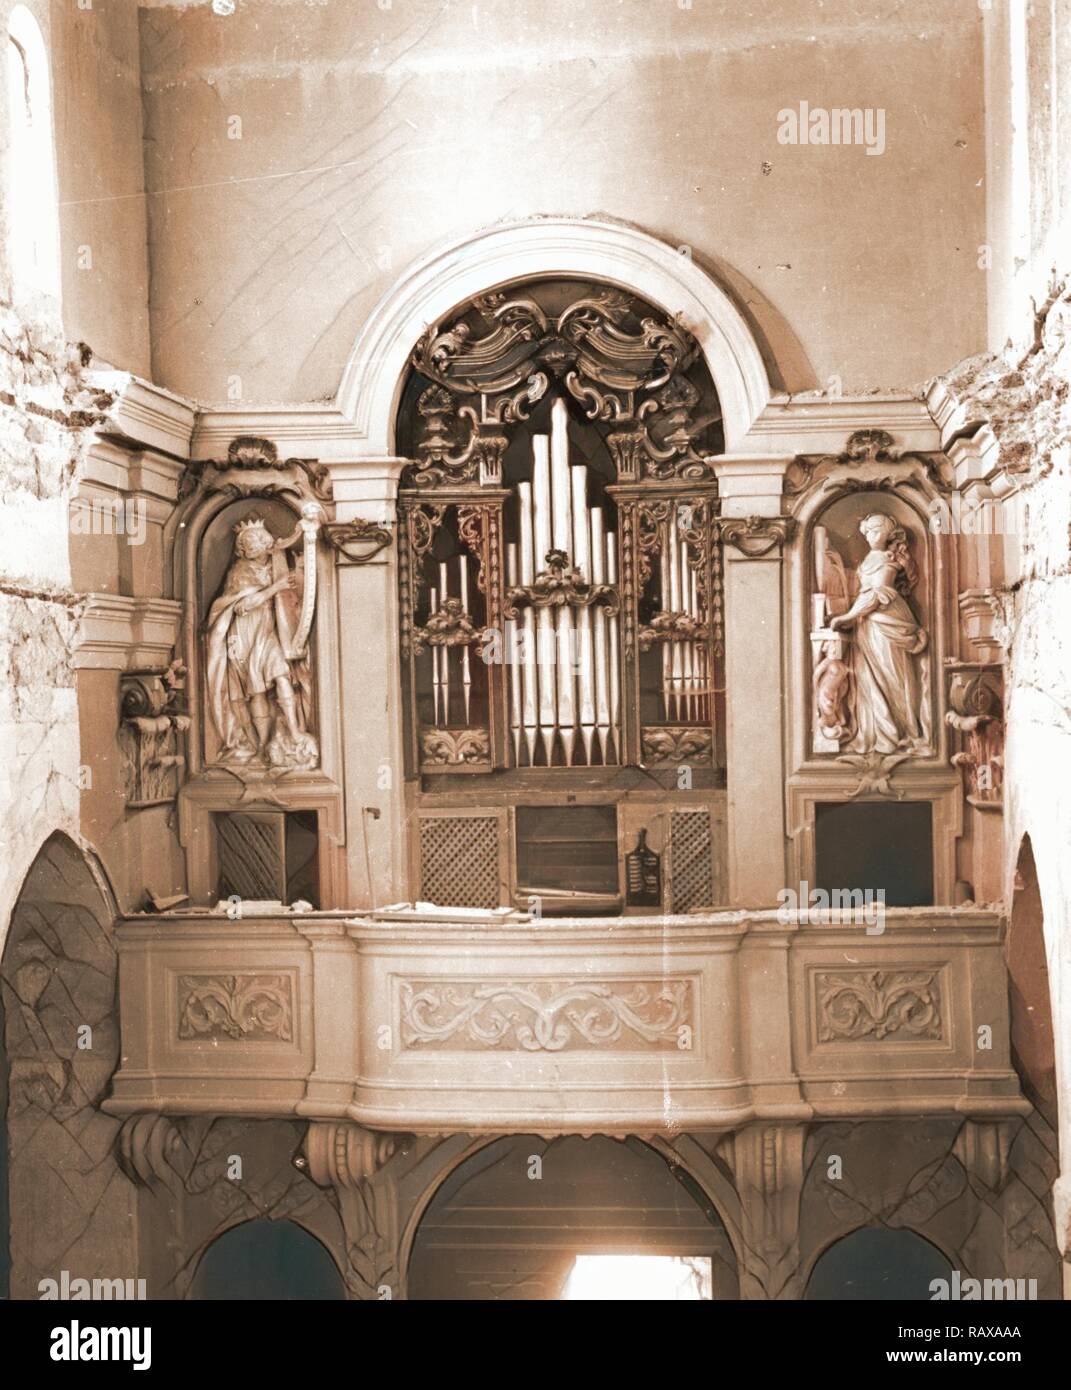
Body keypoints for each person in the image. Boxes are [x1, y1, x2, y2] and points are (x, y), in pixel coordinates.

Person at [205, 514, 318, 769]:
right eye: (250, 541)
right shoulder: (240, 572)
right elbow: (243, 606)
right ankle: (262, 744)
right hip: (245, 635)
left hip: (267, 633)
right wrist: (275, 588)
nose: (257, 543)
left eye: (259, 538)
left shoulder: (275, 563)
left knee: (281, 674)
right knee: (256, 690)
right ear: (243, 550)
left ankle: (295, 730)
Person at [829, 512, 929, 753]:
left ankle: (902, 731)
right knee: (868, 678)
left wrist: (847, 617)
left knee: (892, 677)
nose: (872, 536)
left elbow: (877, 595)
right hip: (867, 625)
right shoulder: (868, 560)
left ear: (887, 534)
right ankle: (876, 734)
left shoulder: (888, 560)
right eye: (869, 531)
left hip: (887, 622)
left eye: (877, 531)